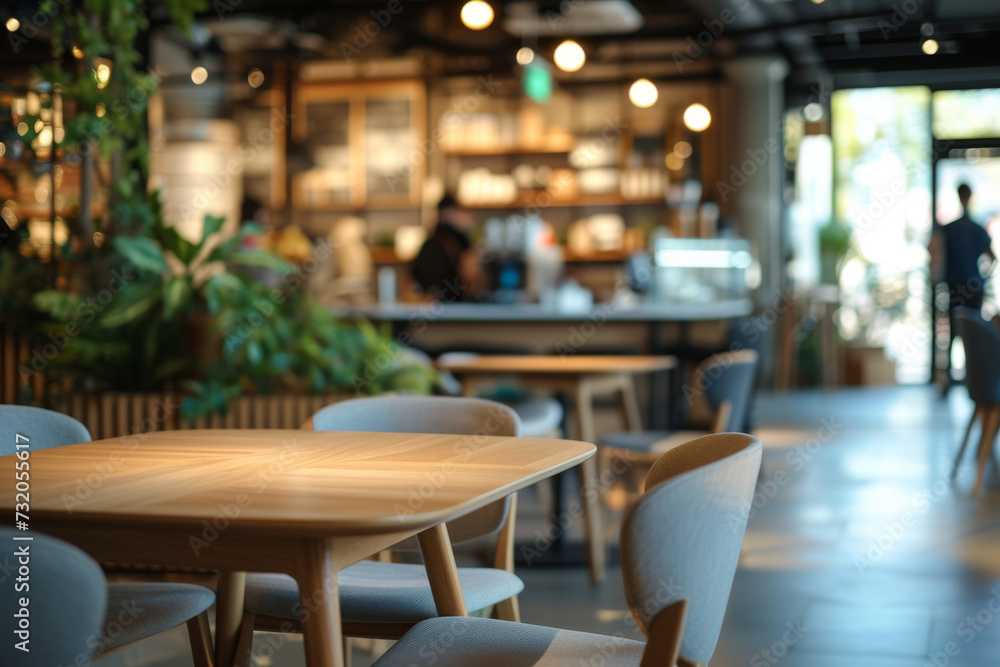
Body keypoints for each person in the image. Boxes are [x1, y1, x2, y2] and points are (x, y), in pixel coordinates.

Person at [930, 183, 995, 312]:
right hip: (972, 285)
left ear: (958, 196)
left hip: (955, 285)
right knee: (973, 326)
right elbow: (992, 257)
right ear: (969, 197)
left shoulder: (949, 229)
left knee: (957, 325)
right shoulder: (977, 229)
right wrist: (982, 277)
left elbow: (934, 252)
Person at [411, 195, 485, 301]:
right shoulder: (461, 242)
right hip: (457, 306)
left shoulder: (429, 243)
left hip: (431, 306)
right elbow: (471, 278)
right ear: (450, 213)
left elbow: (415, 279)